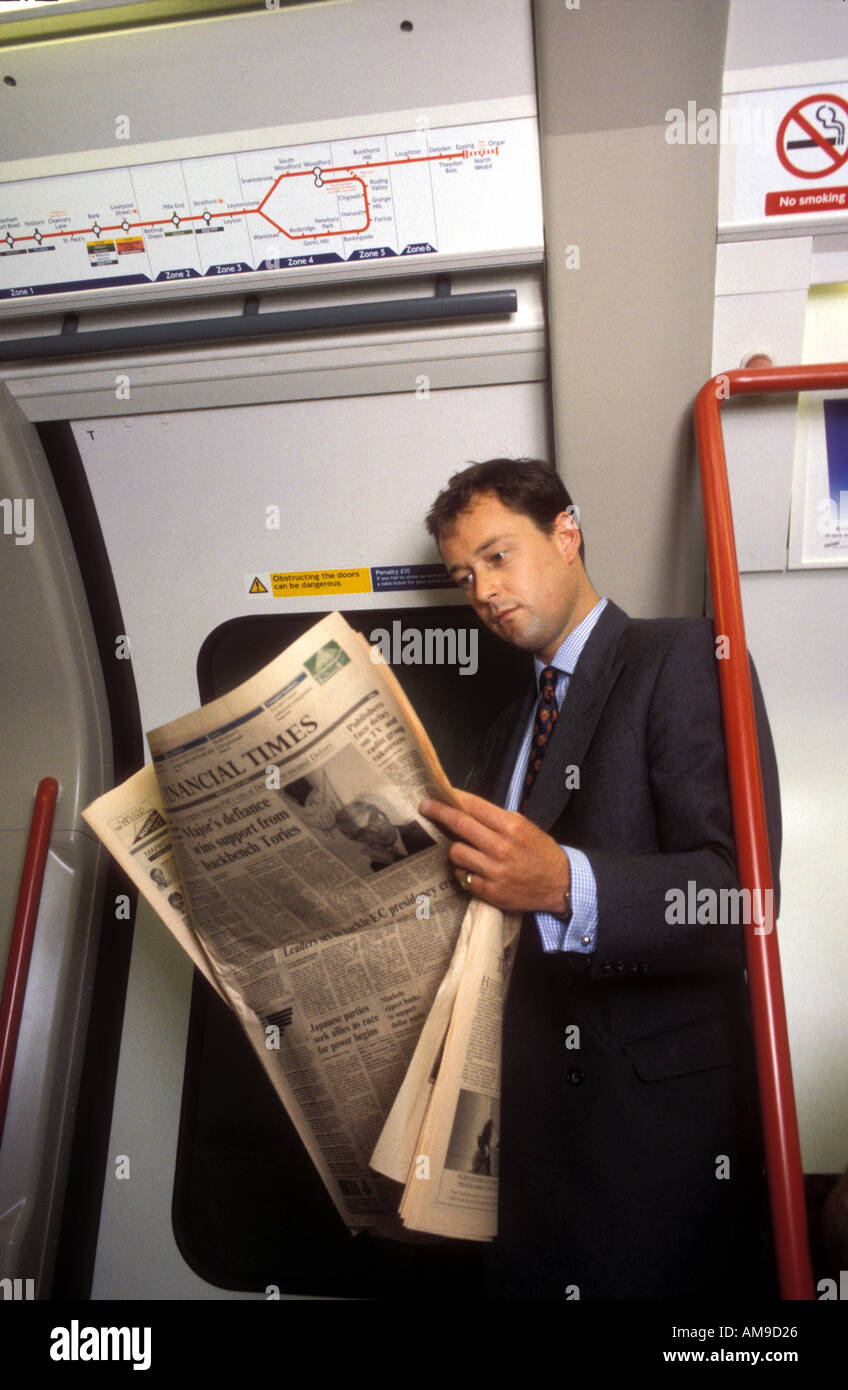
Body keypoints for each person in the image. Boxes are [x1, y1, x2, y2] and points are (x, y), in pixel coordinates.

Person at [419, 457, 780, 1300]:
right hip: (520, 1133)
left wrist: (563, 886)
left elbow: (736, 898)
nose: (483, 592)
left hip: (646, 1143)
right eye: (464, 577)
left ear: (567, 533)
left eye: (499, 556)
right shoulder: (510, 726)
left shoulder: (680, 655)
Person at [335, 799, 435, 872]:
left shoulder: (422, 830)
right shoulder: (378, 865)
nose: (375, 830)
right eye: (363, 832)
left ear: (383, 815)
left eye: (373, 819)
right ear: (358, 840)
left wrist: (393, 860)